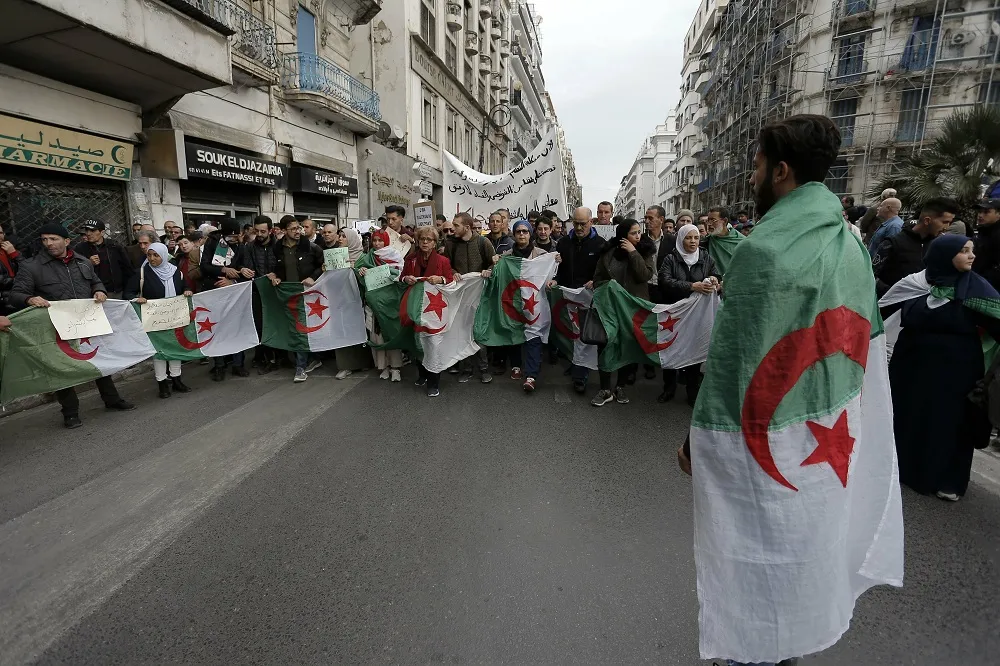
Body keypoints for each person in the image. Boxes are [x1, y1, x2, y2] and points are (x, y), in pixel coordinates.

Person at [679, 114, 902, 666]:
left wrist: (696, 441)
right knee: (803, 543)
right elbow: (863, 337)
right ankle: (786, 648)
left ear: (780, 170)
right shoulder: (849, 243)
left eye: (756, 165)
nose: (752, 176)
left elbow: (735, 363)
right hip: (830, 431)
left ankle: (753, 651)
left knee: (754, 551)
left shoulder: (764, 251)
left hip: (768, 435)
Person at [882, 235, 1000, 500]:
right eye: (963, 251)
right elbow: (878, 312)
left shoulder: (978, 291)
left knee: (948, 423)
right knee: (909, 414)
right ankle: (903, 469)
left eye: (972, 251)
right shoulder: (916, 284)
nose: (971, 256)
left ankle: (947, 480)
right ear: (942, 256)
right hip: (910, 366)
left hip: (954, 372)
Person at [9, 223, 136, 428]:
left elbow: (96, 282)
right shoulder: (31, 266)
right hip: (56, 330)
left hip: (86, 323)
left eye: (53, 239)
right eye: (44, 239)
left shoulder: (83, 262)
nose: (48, 243)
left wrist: (99, 291)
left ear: (66, 241)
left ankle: (112, 399)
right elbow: (15, 295)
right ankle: (70, 412)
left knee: (98, 361)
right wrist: (29, 299)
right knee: (63, 370)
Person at [589, 219, 655, 407]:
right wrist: (609, 287)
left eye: (639, 232)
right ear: (623, 235)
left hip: (633, 308)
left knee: (628, 345)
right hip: (609, 308)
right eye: (633, 233)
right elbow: (598, 278)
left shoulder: (644, 251)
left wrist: (633, 253)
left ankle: (621, 386)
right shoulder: (608, 252)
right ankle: (605, 389)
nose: (638, 236)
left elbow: (645, 275)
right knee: (606, 344)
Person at [657, 224, 720, 405]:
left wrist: (715, 280)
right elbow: (665, 281)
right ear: (680, 238)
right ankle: (668, 389)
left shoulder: (706, 257)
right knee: (671, 348)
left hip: (697, 315)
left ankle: (692, 391)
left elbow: (716, 274)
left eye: (696, 238)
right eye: (688, 238)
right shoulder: (671, 258)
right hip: (675, 313)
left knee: (694, 349)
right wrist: (692, 286)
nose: (692, 241)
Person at [124, 243, 193, 398]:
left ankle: (176, 379)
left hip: (175, 318)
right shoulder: (142, 273)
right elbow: (127, 293)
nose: (152, 258)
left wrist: (187, 290)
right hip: (154, 320)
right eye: (149, 255)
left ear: (164, 255)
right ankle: (162, 383)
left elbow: (184, 286)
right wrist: (137, 298)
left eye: (156, 255)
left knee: (175, 348)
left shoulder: (176, 272)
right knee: (159, 351)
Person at [554, 206, 606, 393]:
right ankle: (574, 363)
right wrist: (555, 277)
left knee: (584, 335)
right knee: (570, 333)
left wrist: (596, 280)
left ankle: (580, 376)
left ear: (591, 222)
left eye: (583, 223)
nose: (578, 227)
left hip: (588, 299)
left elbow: (606, 271)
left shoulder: (601, 244)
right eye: (575, 223)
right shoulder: (563, 243)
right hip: (567, 297)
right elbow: (559, 270)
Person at [266, 216, 324, 382]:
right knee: (296, 330)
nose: (298, 231)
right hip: (288, 294)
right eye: (293, 229)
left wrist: (313, 277)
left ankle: (301, 366)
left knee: (303, 329)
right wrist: (275, 277)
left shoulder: (312, 247)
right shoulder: (277, 249)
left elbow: (324, 265)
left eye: (299, 228)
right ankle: (308, 360)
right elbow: (275, 268)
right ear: (284, 231)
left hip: (309, 295)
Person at [500, 219, 555, 391]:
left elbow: (551, 272)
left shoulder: (541, 255)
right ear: (514, 234)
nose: (522, 235)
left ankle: (531, 375)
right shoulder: (507, 256)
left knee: (533, 335)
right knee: (515, 332)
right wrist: (493, 267)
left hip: (534, 303)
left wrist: (555, 261)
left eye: (525, 231)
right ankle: (516, 366)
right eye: (518, 232)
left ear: (530, 234)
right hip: (514, 301)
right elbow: (499, 276)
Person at [401, 226, 454, 397]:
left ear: (434, 243)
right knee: (418, 342)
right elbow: (402, 277)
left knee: (433, 343)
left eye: (429, 240)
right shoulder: (410, 259)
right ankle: (422, 374)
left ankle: (434, 381)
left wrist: (442, 279)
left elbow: (451, 281)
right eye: (422, 239)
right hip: (416, 306)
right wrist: (405, 278)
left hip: (435, 308)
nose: (425, 242)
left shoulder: (442, 261)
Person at [444, 212, 495, 383]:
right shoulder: (450, 243)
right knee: (461, 331)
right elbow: (446, 266)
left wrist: (489, 270)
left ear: (467, 227)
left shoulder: (483, 242)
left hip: (479, 296)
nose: (453, 228)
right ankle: (466, 369)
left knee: (478, 332)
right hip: (459, 296)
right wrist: (453, 273)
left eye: (456, 225)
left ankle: (484, 369)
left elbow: (494, 263)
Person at [201, 218, 253, 381]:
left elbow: (246, 269)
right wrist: (223, 269)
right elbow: (204, 267)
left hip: (234, 292)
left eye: (237, 236)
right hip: (215, 290)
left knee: (235, 328)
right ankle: (219, 365)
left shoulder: (242, 247)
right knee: (218, 330)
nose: (235, 239)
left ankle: (238, 364)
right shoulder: (212, 244)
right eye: (231, 236)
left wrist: (233, 279)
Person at [872, 197, 957, 297]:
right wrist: (893, 292)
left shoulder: (939, 245)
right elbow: (872, 275)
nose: (946, 227)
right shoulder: (892, 243)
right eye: (944, 222)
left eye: (949, 223)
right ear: (927, 220)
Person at [356, 229, 404, 381]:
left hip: (390, 301)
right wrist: (361, 271)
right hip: (374, 302)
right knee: (377, 335)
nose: (377, 244)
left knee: (391, 332)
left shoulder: (395, 255)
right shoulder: (367, 256)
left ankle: (396, 367)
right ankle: (383, 366)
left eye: (380, 240)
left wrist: (388, 270)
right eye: (374, 240)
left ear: (386, 241)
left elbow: (400, 274)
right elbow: (359, 275)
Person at [333, 227, 371, 379]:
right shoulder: (335, 256)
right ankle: (345, 365)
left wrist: (355, 268)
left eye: (344, 236)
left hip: (357, 300)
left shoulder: (363, 257)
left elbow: (367, 280)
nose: (340, 239)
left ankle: (363, 363)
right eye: (339, 236)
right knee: (342, 332)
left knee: (360, 332)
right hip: (341, 300)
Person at [73, 220, 133, 298]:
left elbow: (127, 268)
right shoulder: (80, 248)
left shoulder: (114, 246)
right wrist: (88, 263)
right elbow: (75, 271)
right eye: (87, 230)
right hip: (93, 293)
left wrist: (127, 290)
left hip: (115, 292)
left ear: (102, 232)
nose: (88, 233)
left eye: (92, 230)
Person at [973, 198, 1000, 291]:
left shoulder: (996, 234)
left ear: (998, 214)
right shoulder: (984, 231)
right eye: (979, 212)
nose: (980, 215)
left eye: (986, 212)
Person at [0, 225, 21, 314]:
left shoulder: (8, 248)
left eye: (0, 233)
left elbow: (27, 268)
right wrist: (21, 280)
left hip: (18, 296)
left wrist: (14, 254)